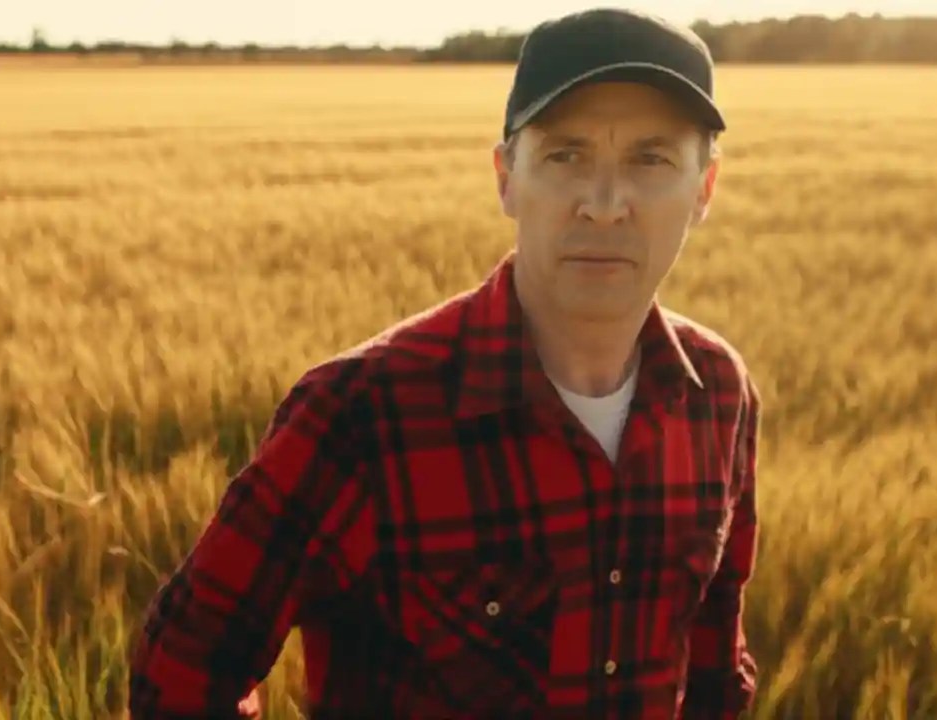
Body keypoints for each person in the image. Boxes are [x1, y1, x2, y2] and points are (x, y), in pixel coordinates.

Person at [129, 7, 761, 719]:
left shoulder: (719, 394)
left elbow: (713, 664)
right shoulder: (362, 414)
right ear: (506, 179)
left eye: (651, 159)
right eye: (565, 155)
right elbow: (180, 674)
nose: (605, 205)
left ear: (703, 190)